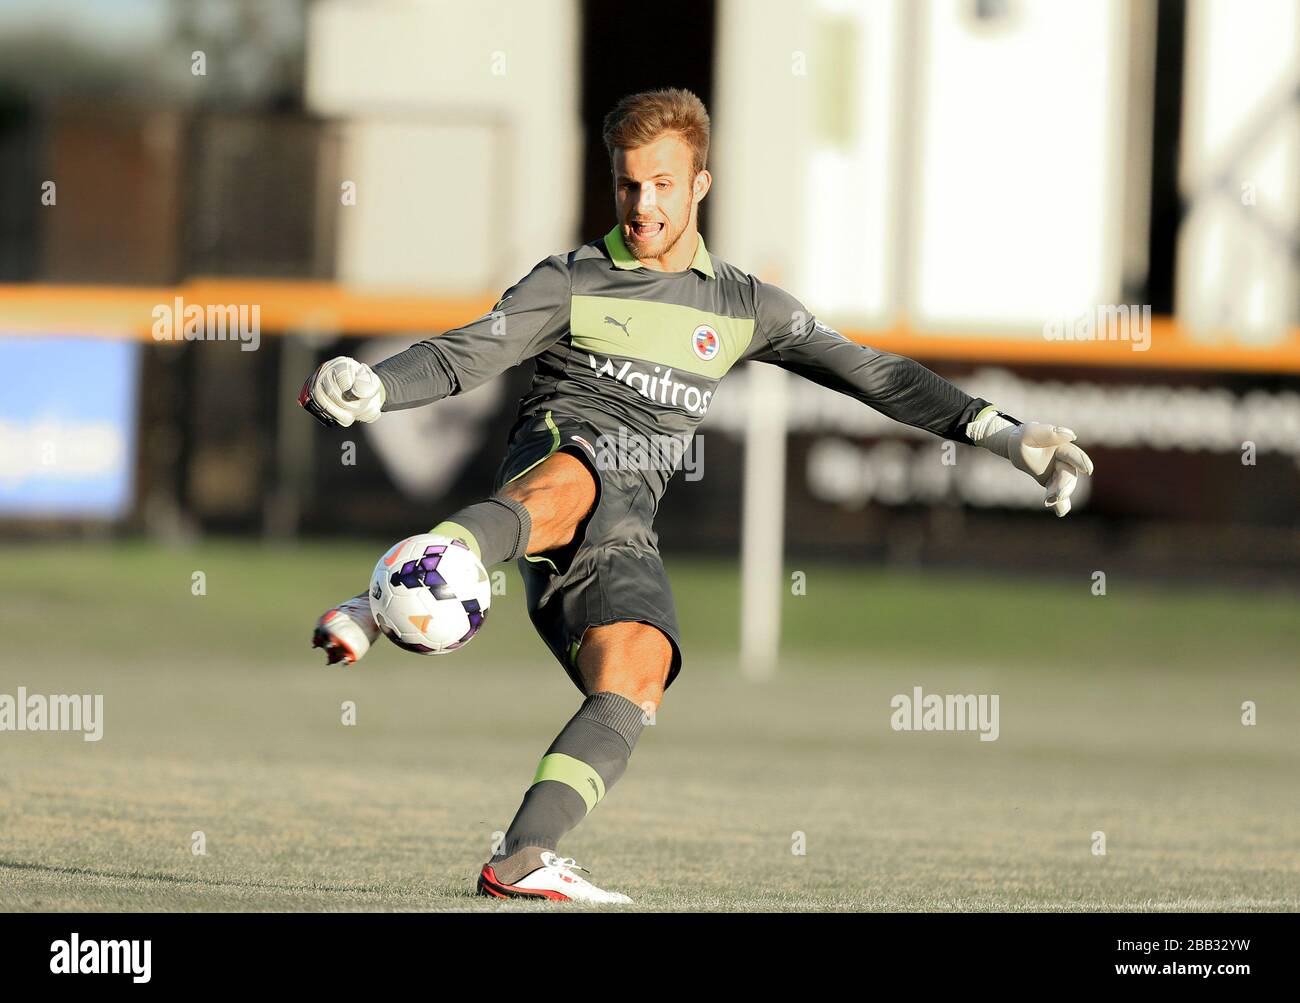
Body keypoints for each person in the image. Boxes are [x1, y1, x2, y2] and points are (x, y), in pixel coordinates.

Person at [298, 88, 1094, 903]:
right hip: (554, 469)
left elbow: (873, 373)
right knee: (586, 467)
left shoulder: (744, 305)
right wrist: (377, 385)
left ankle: (523, 855)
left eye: (662, 186)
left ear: (699, 185)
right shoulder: (571, 279)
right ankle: (414, 573)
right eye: (628, 184)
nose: (643, 205)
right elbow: (466, 354)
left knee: (637, 676)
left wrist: (1003, 433)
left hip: (626, 528)